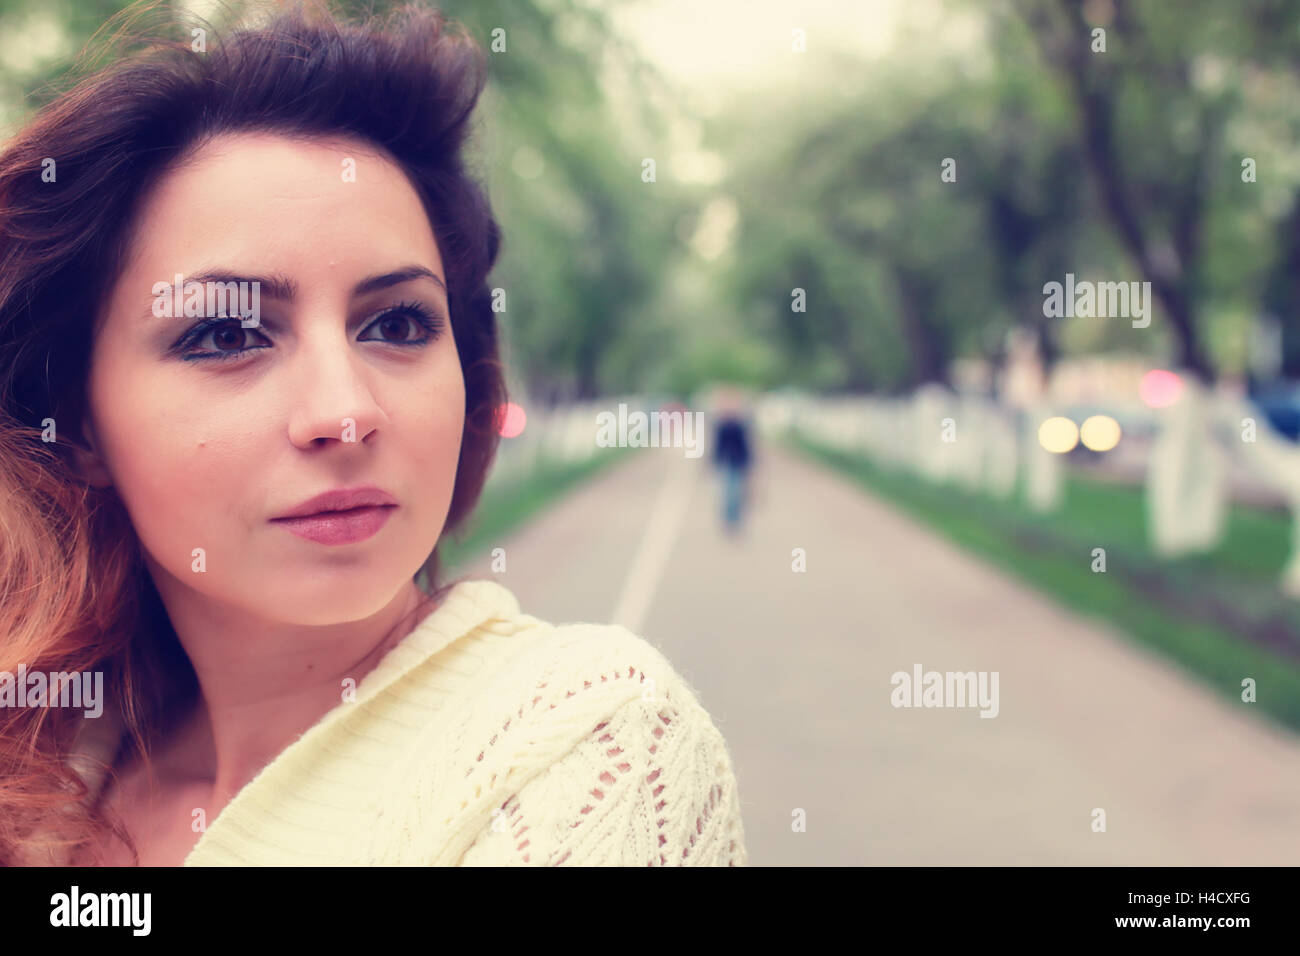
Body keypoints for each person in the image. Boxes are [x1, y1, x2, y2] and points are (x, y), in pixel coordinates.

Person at [0, 0, 746, 867]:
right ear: (80, 425)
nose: (345, 412)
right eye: (229, 335)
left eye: (396, 324)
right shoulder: (49, 765)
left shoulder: (584, 745)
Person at [713, 406, 755, 535]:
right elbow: (718, 446)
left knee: (736, 493)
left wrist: (749, 462)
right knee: (730, 492)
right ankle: (729, 520)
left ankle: (734, 520)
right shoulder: (722, 426)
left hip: (738, 462)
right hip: (727, 462)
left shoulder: (740, 426)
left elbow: (745, 446)